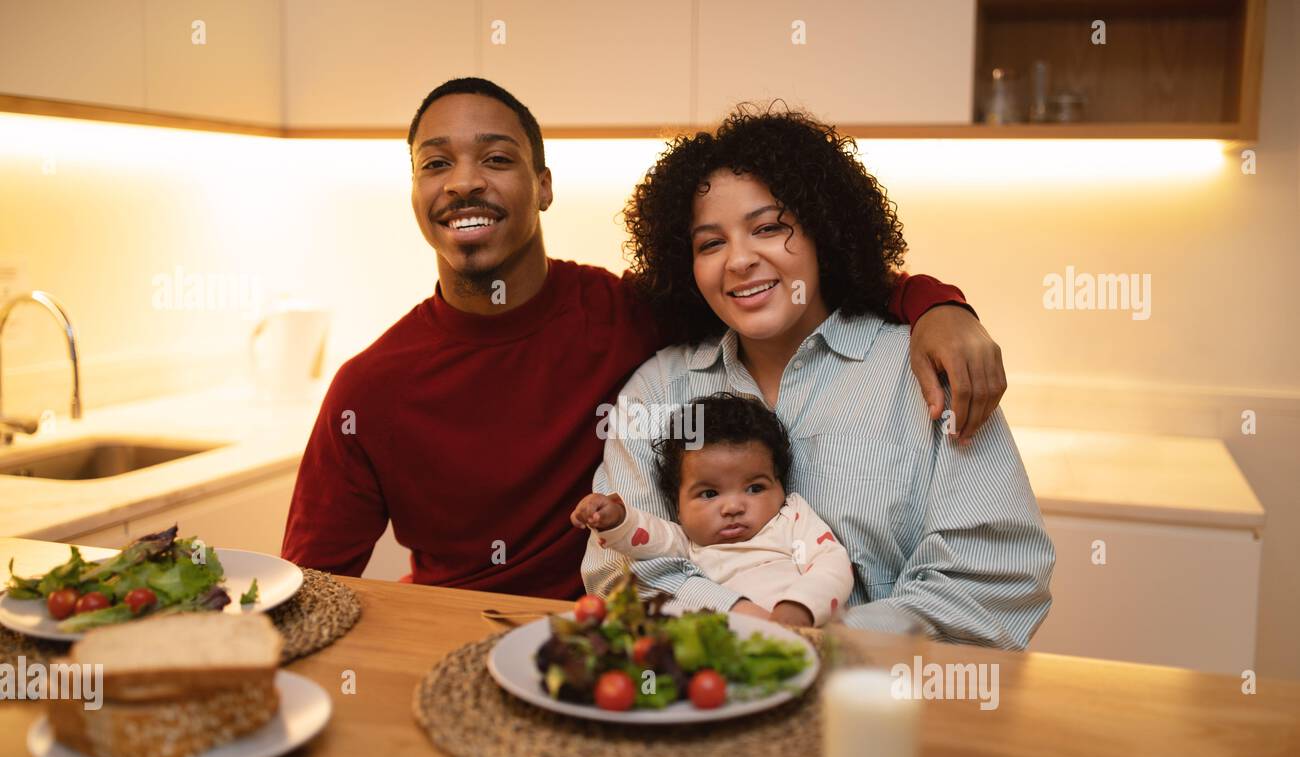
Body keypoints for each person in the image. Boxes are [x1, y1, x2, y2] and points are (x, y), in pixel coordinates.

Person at [281, 77, 1009, 602]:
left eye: (496, 159)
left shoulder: (632, 313)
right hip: (474, 639)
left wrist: (937, 304)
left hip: (625, 647)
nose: (464, 182)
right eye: (435, 163)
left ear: (543, 185)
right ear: (414, 190)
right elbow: (310, 590)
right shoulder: (369, 387)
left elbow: (788, 283)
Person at [581, 107, 1053, 648]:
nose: (738, 260)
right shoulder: (657, 391)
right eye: (710, 243)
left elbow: (991, 584)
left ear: (823, 234)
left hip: (888, 704)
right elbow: (621, 571)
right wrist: (753, 629)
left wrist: (820, 640)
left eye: (768, 228)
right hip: (705, 708)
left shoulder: (926, 370)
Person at [571, 392, 853, 627]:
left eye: (755, 488)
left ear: (780, 484)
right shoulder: (687, 543)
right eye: (709, 493)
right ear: (678, 507)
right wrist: (616, 518)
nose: (732, 507)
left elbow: (832, 564)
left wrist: (797, 610)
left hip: (808, 637)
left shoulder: (791, 518)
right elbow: (645, 536)